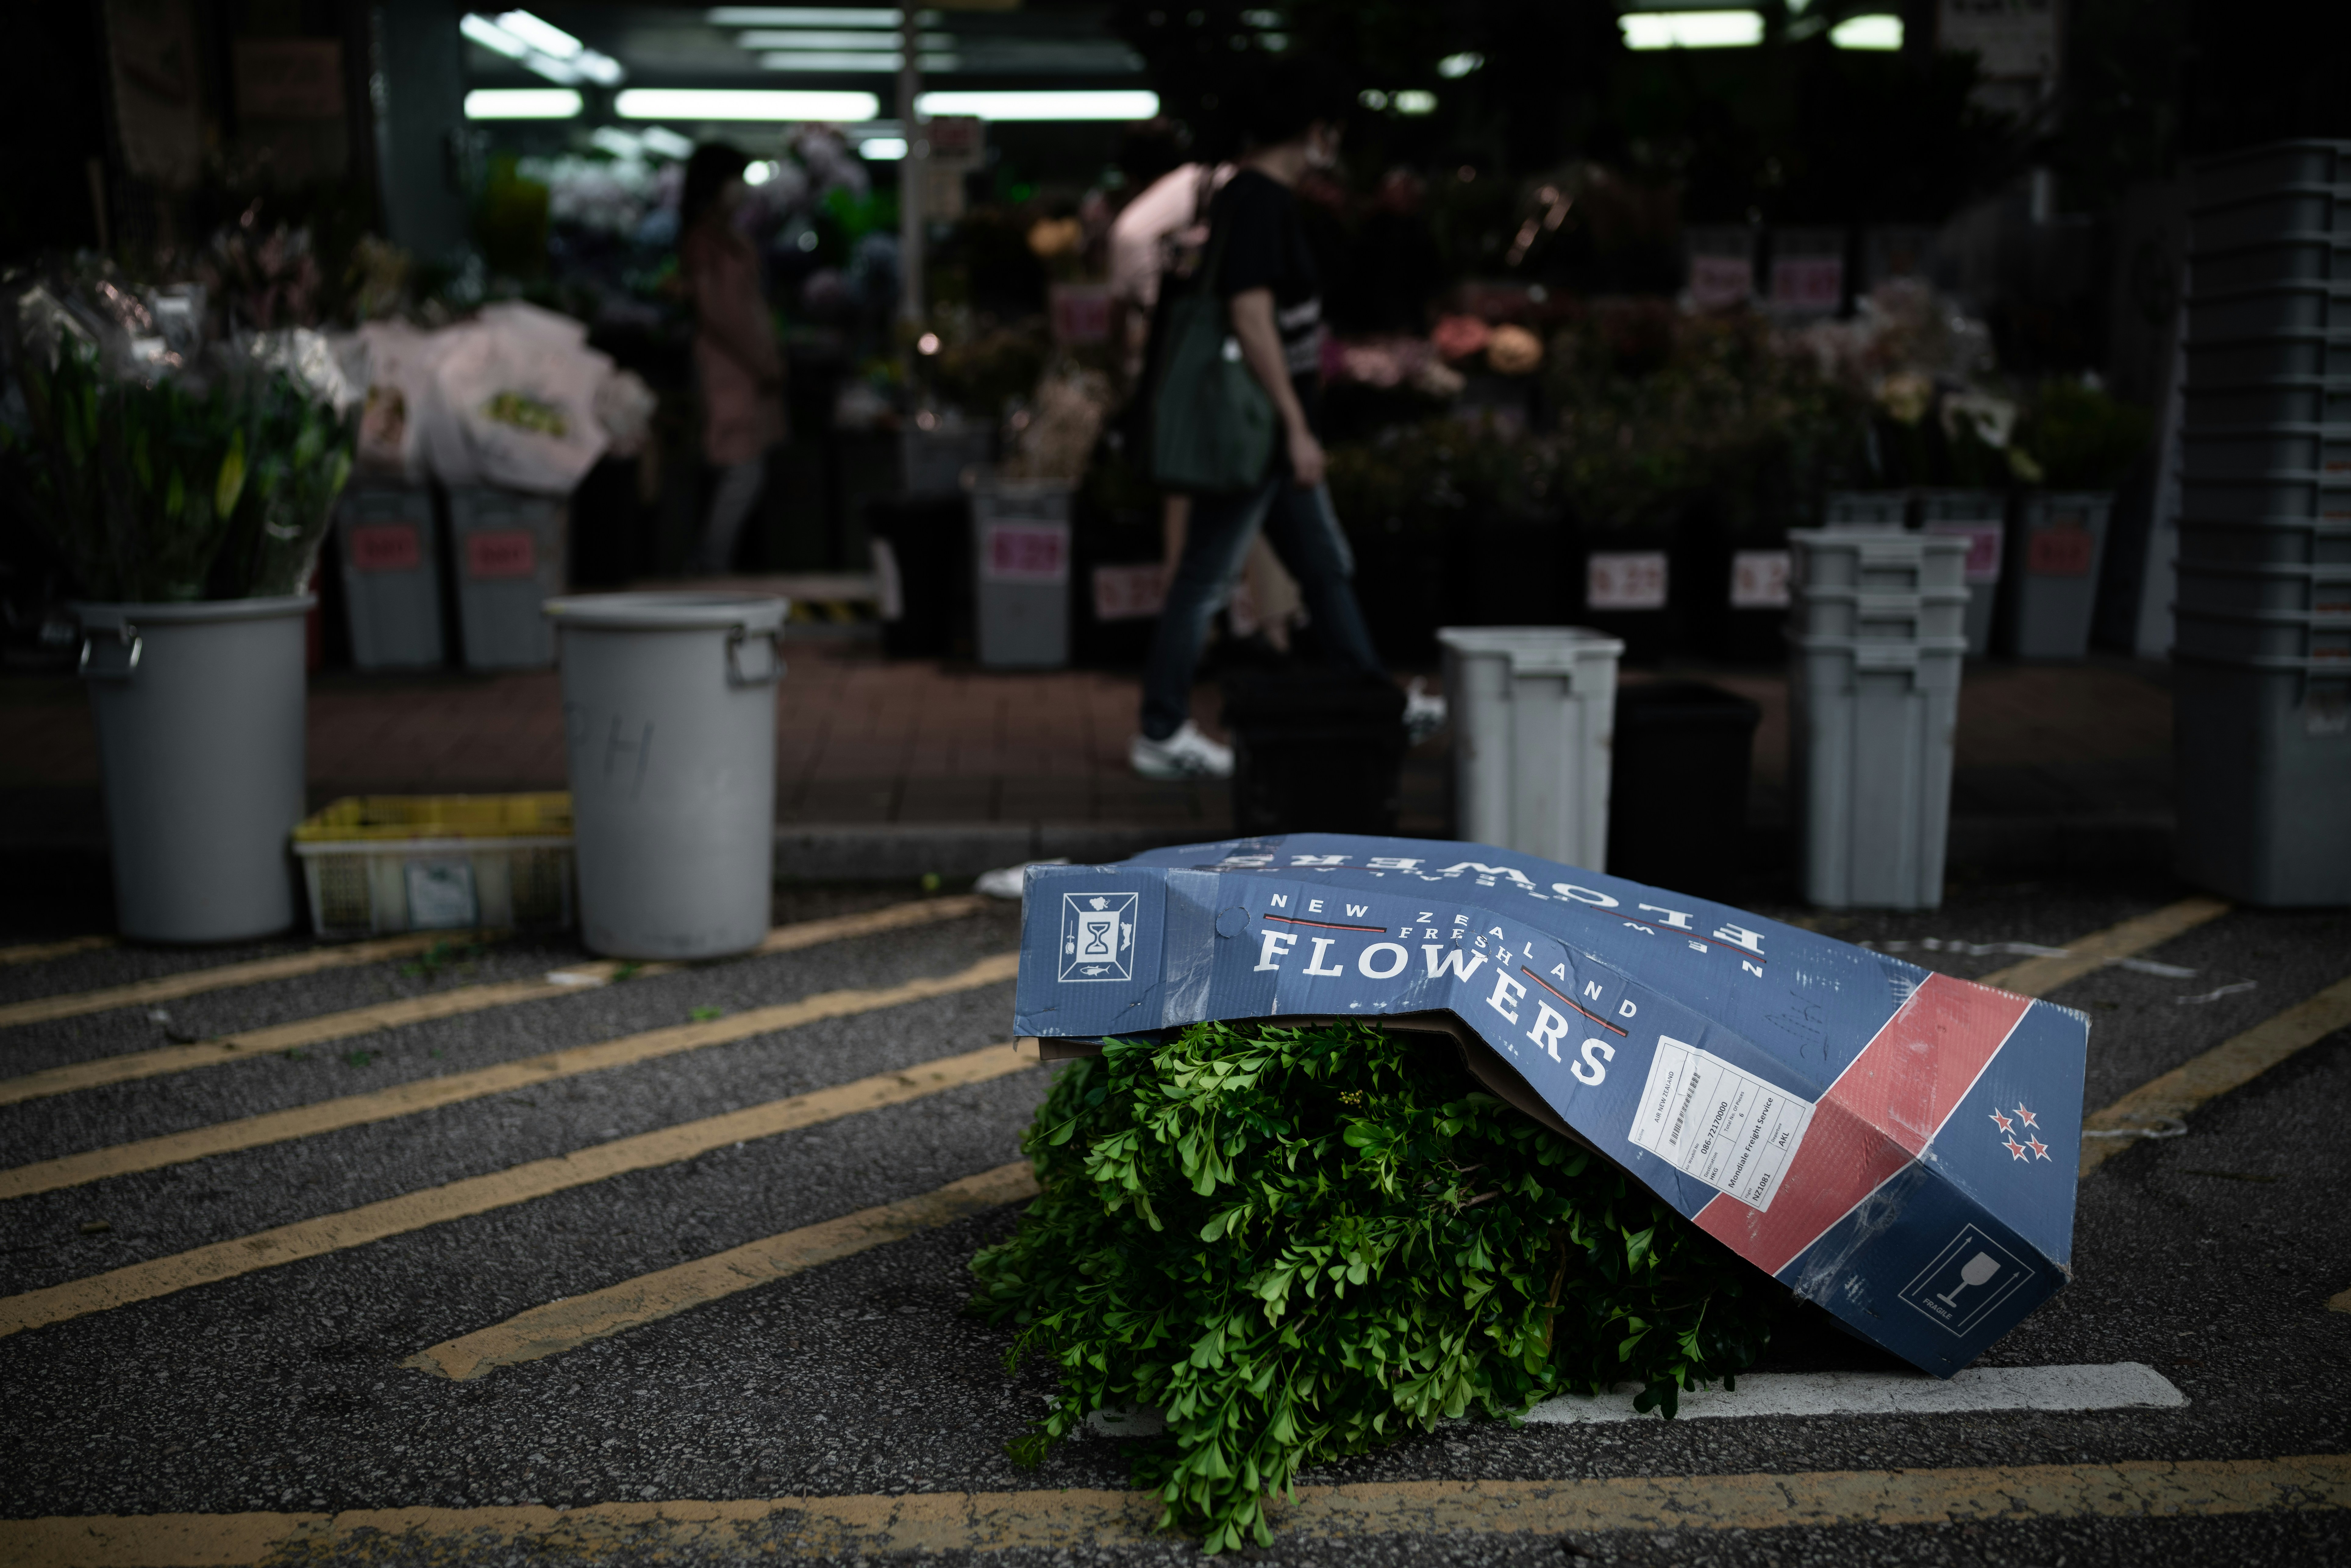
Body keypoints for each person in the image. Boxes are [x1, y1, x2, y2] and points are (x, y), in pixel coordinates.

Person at [1129, 60, 1386, 780]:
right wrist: (1295, 424)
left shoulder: (1250, 196)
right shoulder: (1262, 200)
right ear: (1314, 131)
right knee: (1208, 578)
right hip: (1258, 429)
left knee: (1322, 567)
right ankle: (1161, 727)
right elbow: (1250, 312)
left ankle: (1373, 700)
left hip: (1265, 428)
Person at [678, 142, 785, 575]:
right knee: (741, 470)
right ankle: (709, 564)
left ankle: (714, 563)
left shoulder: (724, 239)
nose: (741, 190)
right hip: (729, 369)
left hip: (742, 367)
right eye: (735, 180)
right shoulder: (706, 242)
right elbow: (722, 314)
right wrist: (762, 359)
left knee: (742, 469)